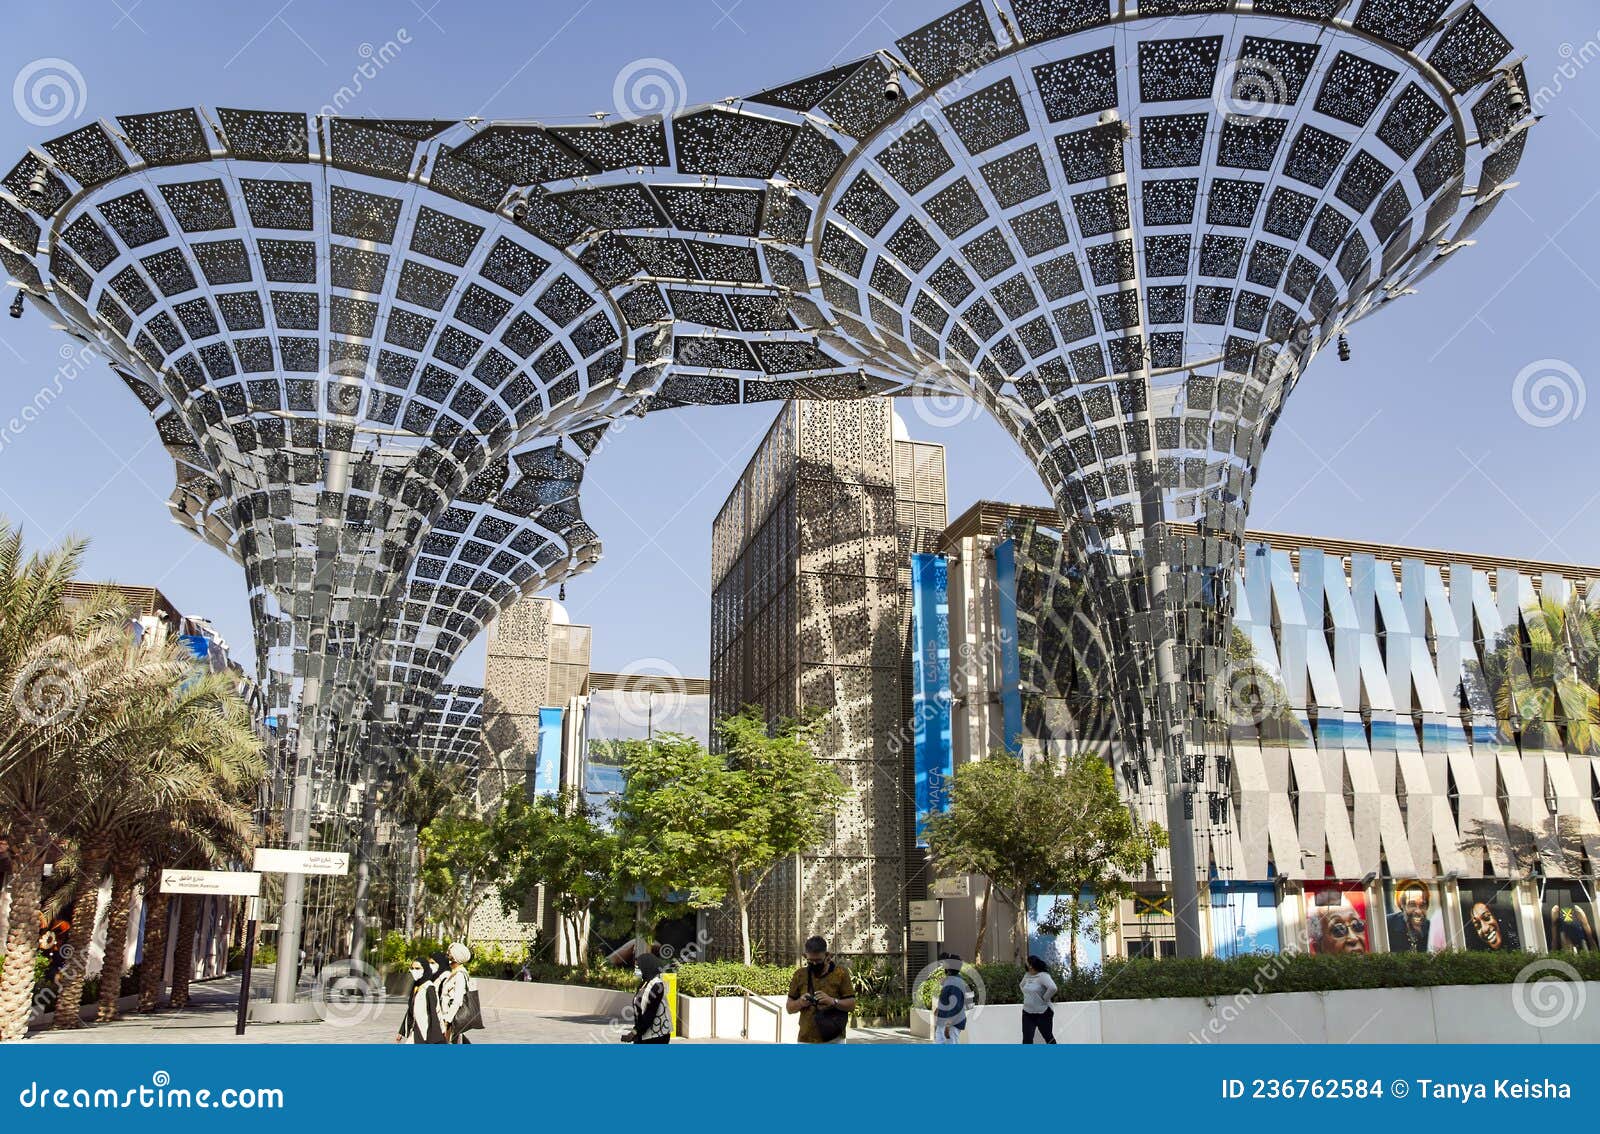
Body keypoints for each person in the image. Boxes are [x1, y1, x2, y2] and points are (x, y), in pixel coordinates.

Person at [785, 935, 855, 1044]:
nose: (814, 964)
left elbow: (851, 1005)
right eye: (810, 961)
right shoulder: (799, 975)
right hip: (806, 1039)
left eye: (818, 961)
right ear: (805, 956)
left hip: (834, 1038)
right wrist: (800, 1003)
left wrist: (832, 1001)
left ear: (827, 956)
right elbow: (789, 1008)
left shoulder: (841, 973)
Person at [395, 957, 445, 1044]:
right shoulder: (416, 986)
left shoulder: (429, 987)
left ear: (425, 969)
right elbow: (411, 1010)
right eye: (412, 968)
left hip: (425, 1032)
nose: (414, 971)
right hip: (415, 1030)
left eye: (417, 968)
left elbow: (435, 1011)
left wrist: (438, 1033)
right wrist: (401, 1032)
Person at [625, 953, 672, 1044]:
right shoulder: (644, 983)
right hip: (643, 1033)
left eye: (638, 966)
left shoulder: (657, 985)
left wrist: (634, 1032)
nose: (636, 970)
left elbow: (650, 1013)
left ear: (647, 965)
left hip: (657, 1035)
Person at [439, 942, 477, 1043]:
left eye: (449, 956)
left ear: (455, 958)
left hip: (452, 1020)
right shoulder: (452, 973)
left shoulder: (460, 974)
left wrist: (447, 1020)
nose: (447, 957)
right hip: (445, 1016)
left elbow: (457, 1000)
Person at [1020, 955, 1057, 1044]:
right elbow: (1021, 985)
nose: (1025, 964)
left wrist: (1045, 998)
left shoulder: (1043, 976)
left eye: (1027, 962)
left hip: (1043, 1013)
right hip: (1027, 1013)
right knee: (1027, 1039)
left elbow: (1053, 988)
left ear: (1031, 965)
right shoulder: (1027, 975)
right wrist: (1028, 996)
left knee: (1048, 1037)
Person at [1386, 882, 1431, 953]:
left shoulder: (1431, 928)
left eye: (1422, 905)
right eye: (1412, 905)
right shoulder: (1387, 925)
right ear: (1402, 906)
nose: (1418, 911)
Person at [932, 953, 966, 1045]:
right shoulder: (950, 979)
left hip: (951, 1023)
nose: (944, 964)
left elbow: (956, 1006)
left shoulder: (956, 982)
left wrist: (948, 1024)